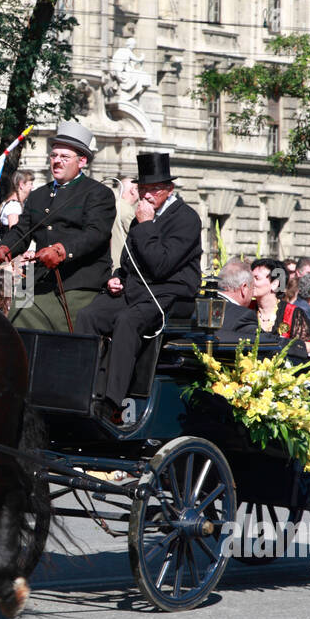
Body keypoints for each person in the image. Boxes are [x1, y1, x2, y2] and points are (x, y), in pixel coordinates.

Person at [76, 153, 201, 421]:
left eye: (153, 189)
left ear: (169, 190)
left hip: (170, 293)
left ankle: (112, 401)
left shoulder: (186, 218)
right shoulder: (142, 216)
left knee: (127, 321)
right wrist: (118, 277)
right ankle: (87, 388)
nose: (146, 195)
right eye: (143, 189)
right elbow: (130, 261)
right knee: (89, 315)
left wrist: (145, 225)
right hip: (137, 289)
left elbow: (161, 265)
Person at [0, 120, 115, 332]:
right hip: (39, 279)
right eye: (54, 156)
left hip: (78, 282)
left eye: (65, 157)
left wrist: (62, 251)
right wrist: (5, 247)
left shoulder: (98, 194)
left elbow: (96, 233)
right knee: (16, 313)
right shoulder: (39, 195)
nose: (57, 161)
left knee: (63, 330)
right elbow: (21, 231)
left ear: (82, 161)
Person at [210, 260, 260, 342]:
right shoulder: (243, 316)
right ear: (244, 288)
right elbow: (262, 341)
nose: (253, 295)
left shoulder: (201, 304)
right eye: (252, 288)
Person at [0, 170, 35, 244]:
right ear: (21, 185)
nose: (32, 187)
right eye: (31, 184)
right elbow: (15, 235)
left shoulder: (12, 203)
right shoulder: (14, 206)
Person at [108, 175, 139, 269]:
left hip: (110, 263)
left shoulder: (112, 205)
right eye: (139, 189)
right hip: (120, 265)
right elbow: (140, 238)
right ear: (133, 191)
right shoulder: (127, 211)